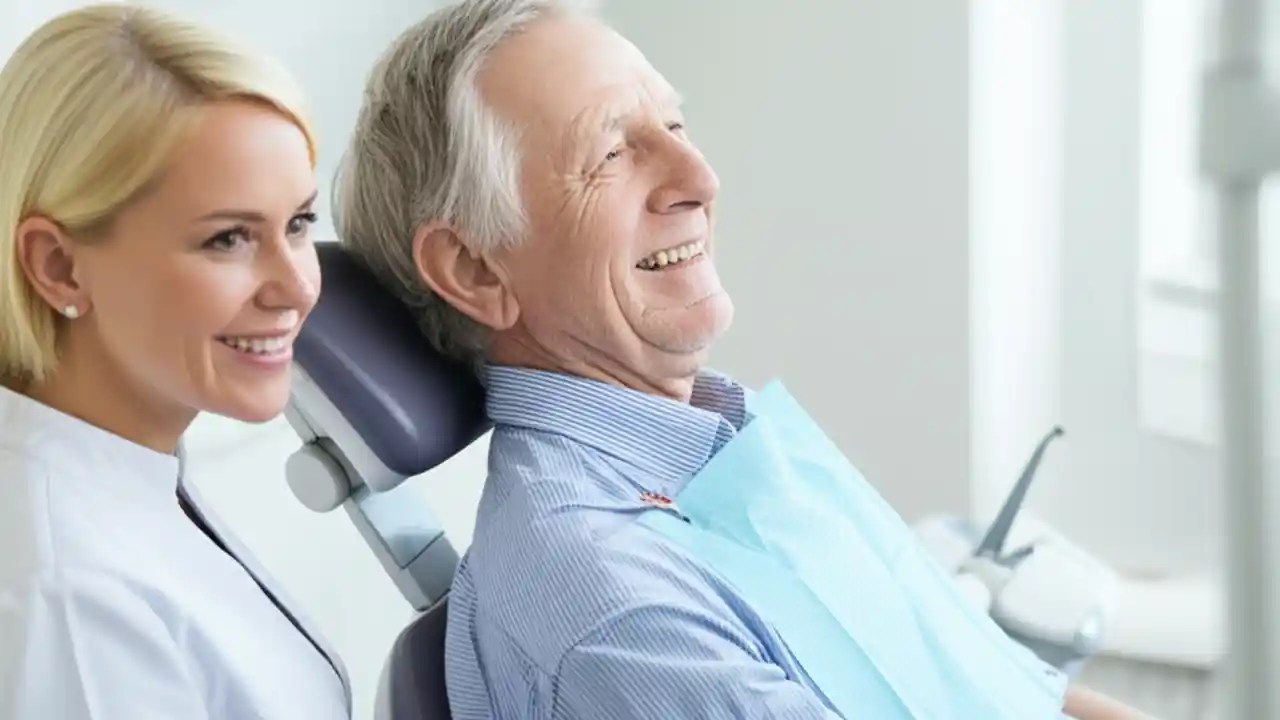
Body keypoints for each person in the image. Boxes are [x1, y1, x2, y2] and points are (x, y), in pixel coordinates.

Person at [337, 1, 1153, 718]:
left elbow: (1005, 683)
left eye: (676, 126)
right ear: (476, 269)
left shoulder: (736, 442)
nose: (700, 177)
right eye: (612, 155)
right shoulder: (608, 609)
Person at [0, 5, 349, 719]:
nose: (298, 285)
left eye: (299, 224)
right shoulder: (70, 599)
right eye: (228, 239)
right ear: (59, 266)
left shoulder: (127, 465)